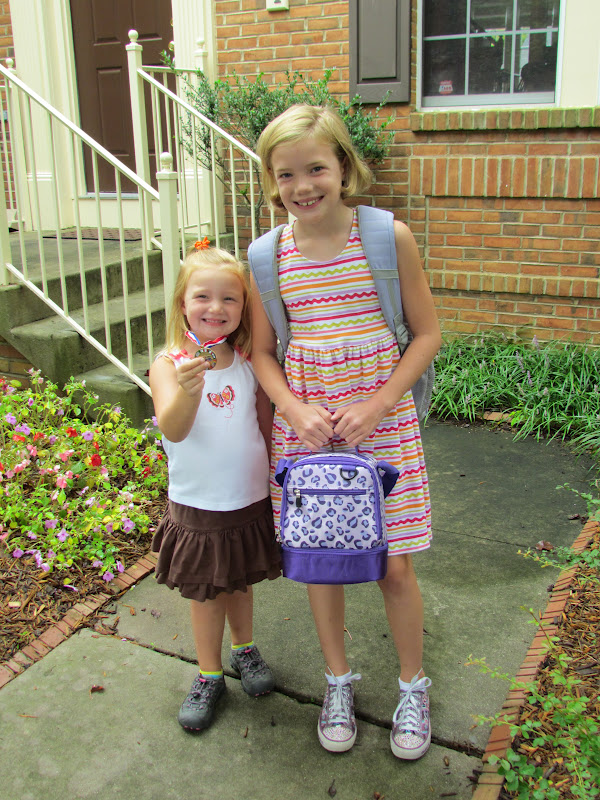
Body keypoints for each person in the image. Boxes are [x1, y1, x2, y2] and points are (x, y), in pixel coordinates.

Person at [250, 105, 441, 759]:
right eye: (286, 175)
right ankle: (338, 681)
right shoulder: (268, 256)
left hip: (380, 425)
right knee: (322, 562)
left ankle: (412, 686)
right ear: (272, 182)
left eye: (316, 169)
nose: (303, 186)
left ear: (343, 166)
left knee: (393, 563)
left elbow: (428, 334)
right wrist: (294, 410)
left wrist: (382, 402)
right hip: (308, 433)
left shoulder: (388, 238)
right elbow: (263, 353)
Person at [150, 243, 281, 733]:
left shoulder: (247, 359)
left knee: (241, 580)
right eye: (203, 296)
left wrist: (277, 477)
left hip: (247, 499)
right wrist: (187, 390)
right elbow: (175, 428)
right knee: (206, 592)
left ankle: (244, 649)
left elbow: (263, 423)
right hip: (199, 504)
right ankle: (208, 675)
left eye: (230, 299)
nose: (216, 308)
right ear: (182, 303)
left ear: (243, 308)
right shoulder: (169, 364)